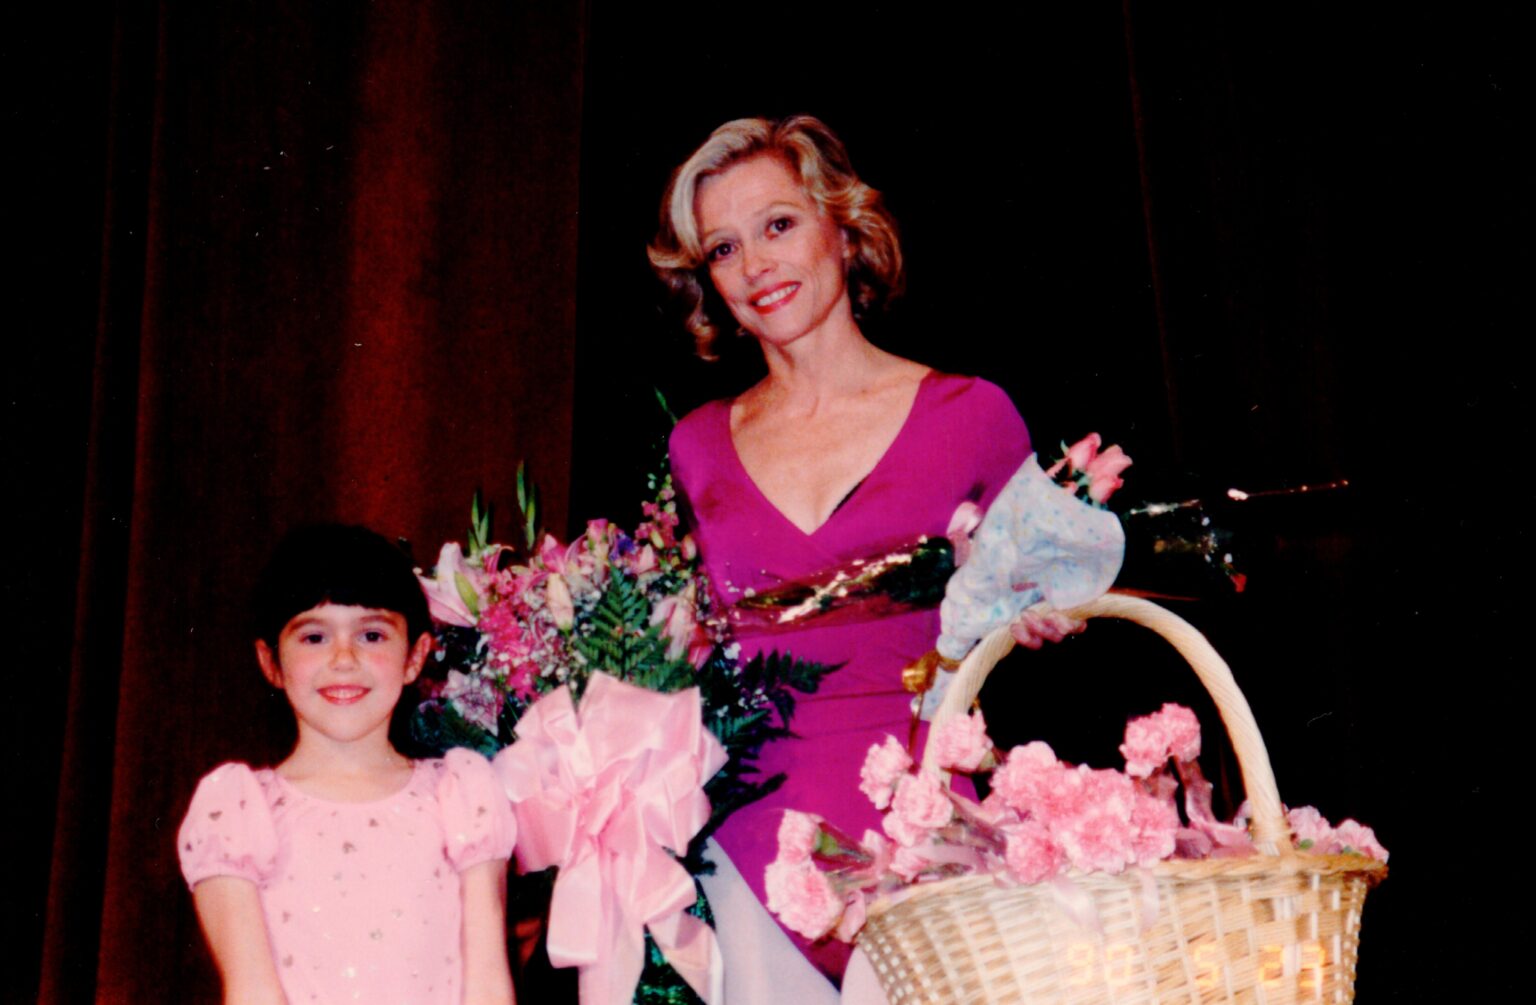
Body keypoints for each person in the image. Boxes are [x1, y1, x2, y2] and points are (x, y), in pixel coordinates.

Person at [651, 116, 1076, 1000]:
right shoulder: (695, 447)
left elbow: (1044, 599)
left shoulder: (972, 414)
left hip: (930, 836)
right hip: (752, 852)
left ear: (842, 228)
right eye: (724, 247)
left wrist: (1041, 610)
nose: (757, 265)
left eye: (778, 225)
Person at [177, 525, 517, 1005]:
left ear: (415, 656)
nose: (343, 659)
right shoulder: (237, 810)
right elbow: (251, 990)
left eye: (372, 635)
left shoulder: (460, 796)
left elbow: (487, 987)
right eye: (314, 637)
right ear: (270, 661)